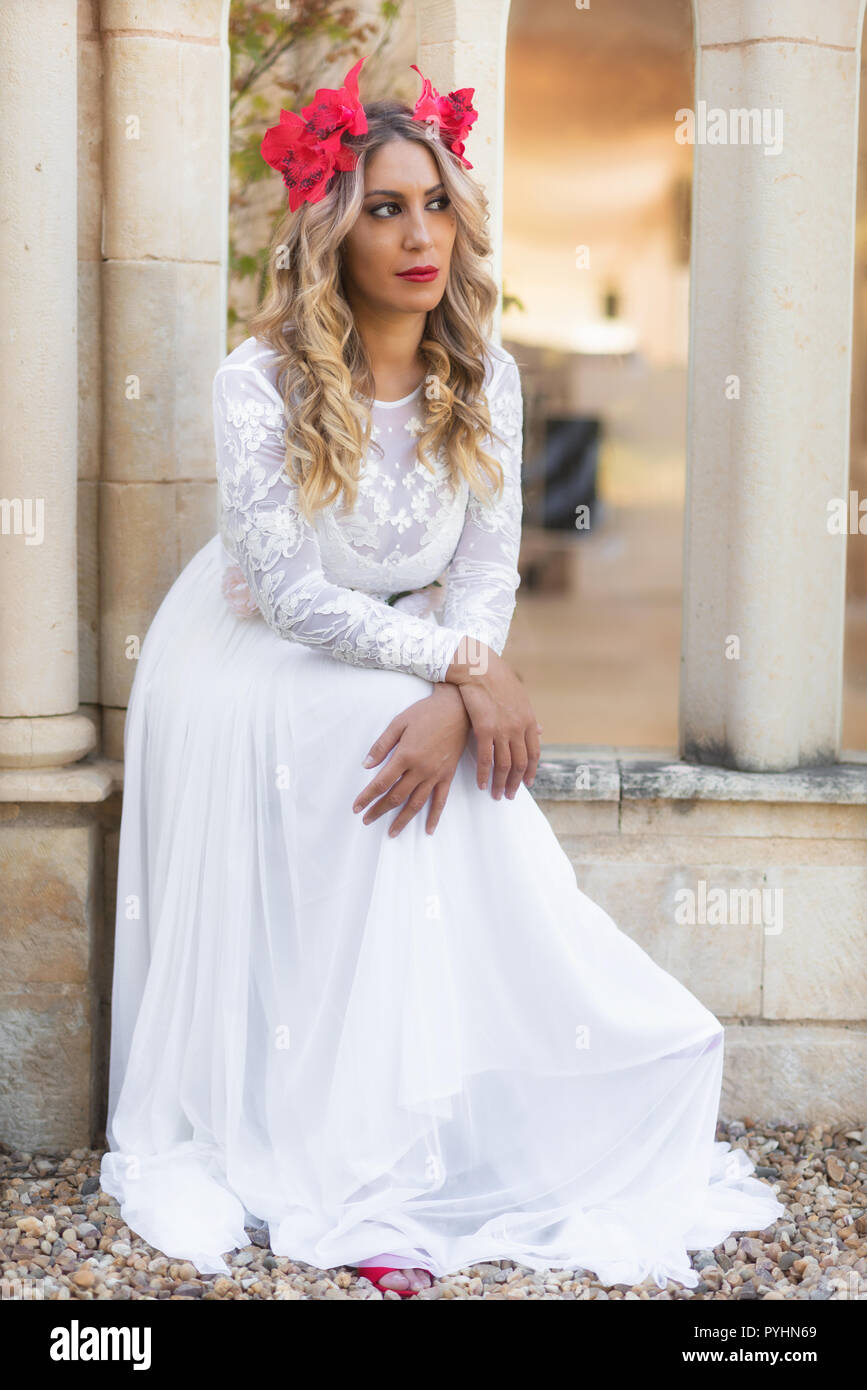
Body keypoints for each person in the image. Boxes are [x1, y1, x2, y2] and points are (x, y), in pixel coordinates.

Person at [99, 56, 785, 1298]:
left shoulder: (489, 375)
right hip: (252, 653)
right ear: (330, 230)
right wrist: (468, 672)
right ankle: (354, 1152)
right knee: (390, 744)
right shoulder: (257, 383)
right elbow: (296, 592)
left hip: (403, 645)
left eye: (434, 203)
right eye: (382, 207)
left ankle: (472, 1108)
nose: (419, 234)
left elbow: (483, 569)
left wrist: (465, 684)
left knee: (441, 756)